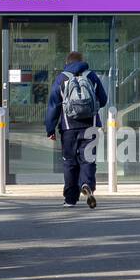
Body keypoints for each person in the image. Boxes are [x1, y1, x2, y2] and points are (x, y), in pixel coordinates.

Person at [45, 51, 108, 208]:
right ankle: (86, 184)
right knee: (88, 159)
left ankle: (70, 199)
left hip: (68, 128)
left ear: (67, 62)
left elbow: (53, 105)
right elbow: (104, 99)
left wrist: (50, 129)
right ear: (82, 61)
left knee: (70, 163)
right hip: (90, 127)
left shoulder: (61, 79)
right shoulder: (91, 76)